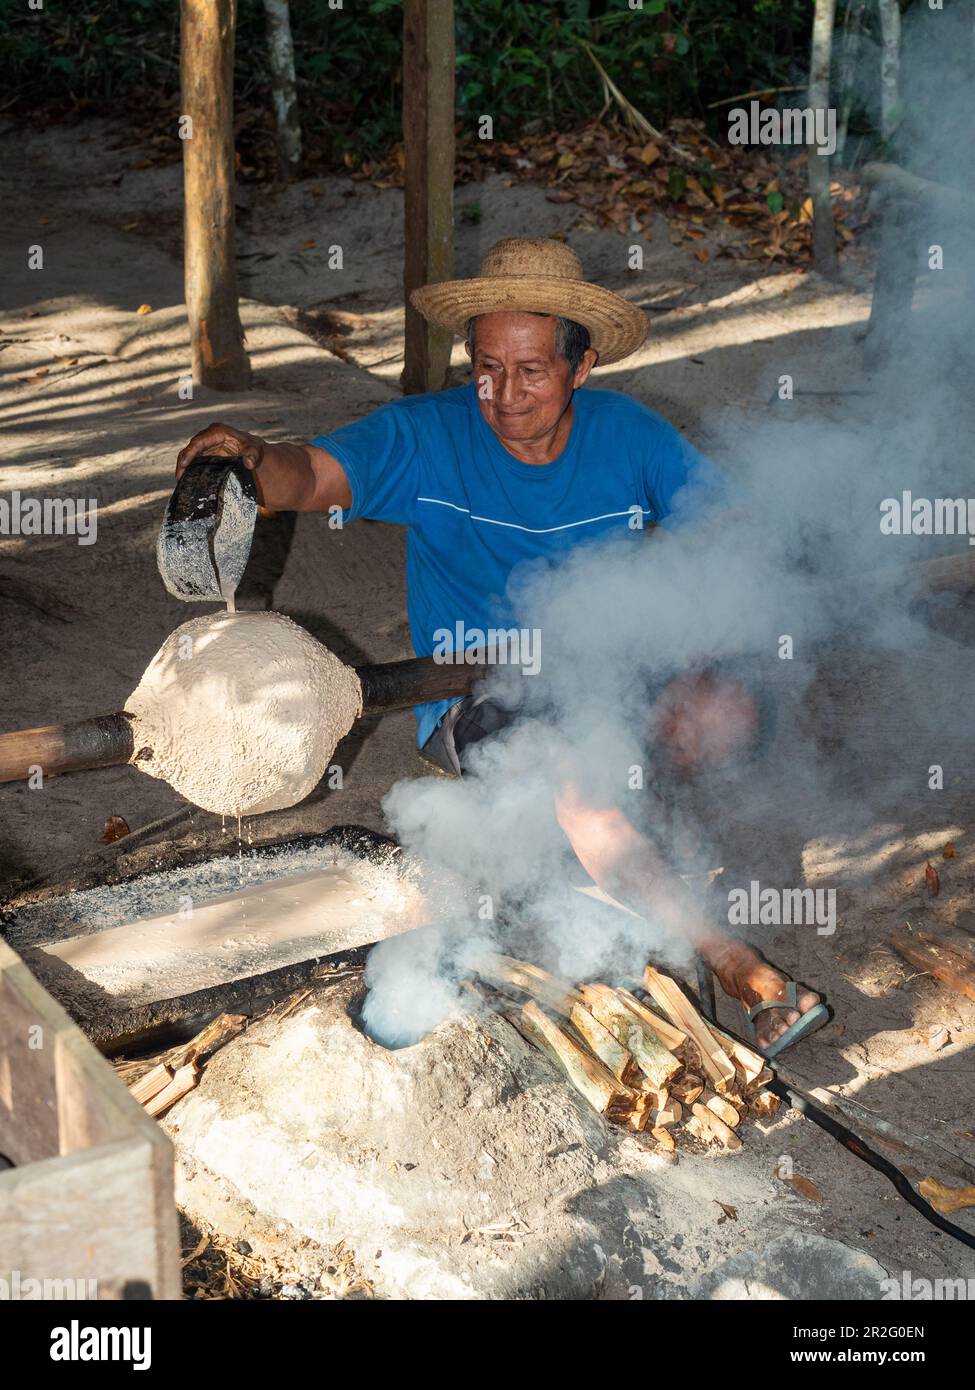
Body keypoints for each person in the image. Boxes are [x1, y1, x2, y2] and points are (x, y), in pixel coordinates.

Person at [176, 237, 826, 1056]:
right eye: (486, 367)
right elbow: (305, 478)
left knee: (722, 714)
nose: (503, 394)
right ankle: (730, 960)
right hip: (480, 691)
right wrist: (249, 460)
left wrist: (699, 635)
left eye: (531, 371)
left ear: (580, 368)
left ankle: (619, 849)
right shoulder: (425, 438)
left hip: (611, 668)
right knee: (577, 787)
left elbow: (732, 532)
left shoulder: (629, 435)